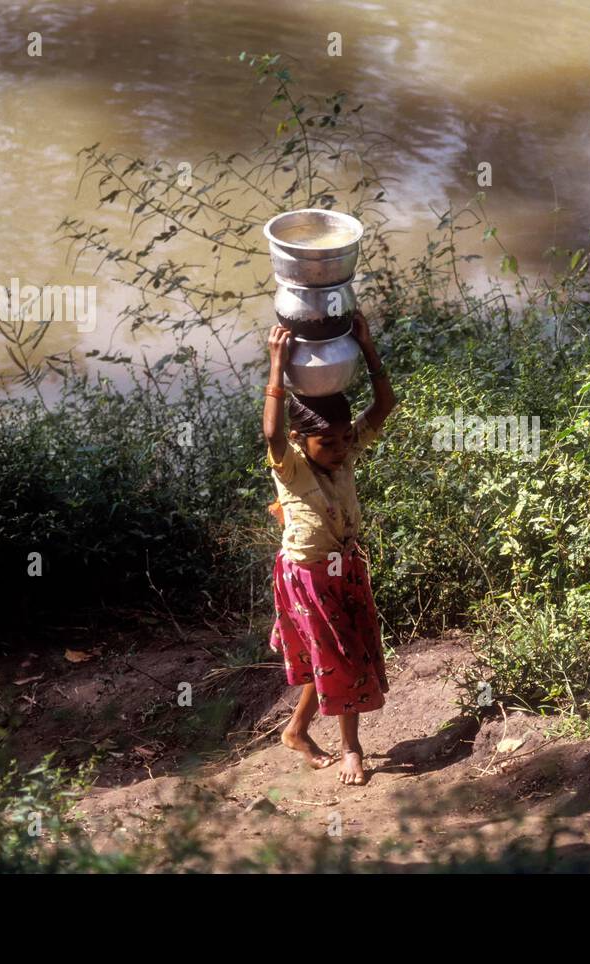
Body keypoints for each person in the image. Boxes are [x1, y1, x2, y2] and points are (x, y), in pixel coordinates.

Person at [262, 310, 397, 786]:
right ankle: (351, 748)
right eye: (328, 442)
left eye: (344, 438)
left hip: (346, 568)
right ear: (301, 441)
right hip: (310, 575)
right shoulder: (290, 465)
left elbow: (384, 407)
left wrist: (367, 347)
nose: (341, 448)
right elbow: (272, 432)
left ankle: (296, 730)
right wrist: (277, 366)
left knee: (341, 654)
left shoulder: (345, 451)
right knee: (340, 658)